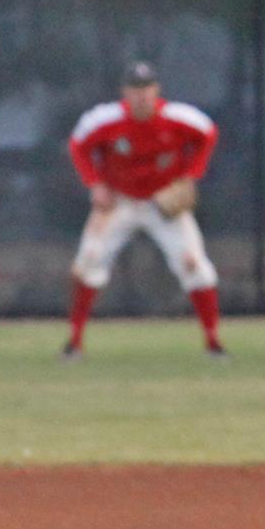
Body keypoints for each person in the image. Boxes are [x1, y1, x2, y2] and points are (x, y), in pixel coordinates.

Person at [60, 61, 226, 360]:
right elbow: (77, 145)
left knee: (193, 264)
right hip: (119, 201)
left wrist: (191, 174)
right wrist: (95, 183)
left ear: (156, 90)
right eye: (135, 90)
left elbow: (208, 134)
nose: (141, 96)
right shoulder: (104, 120)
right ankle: (74, 343)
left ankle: (213, 343)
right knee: (88, 261)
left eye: (146, 89)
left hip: (162, 203)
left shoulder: (178, 118)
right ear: (125, 92)